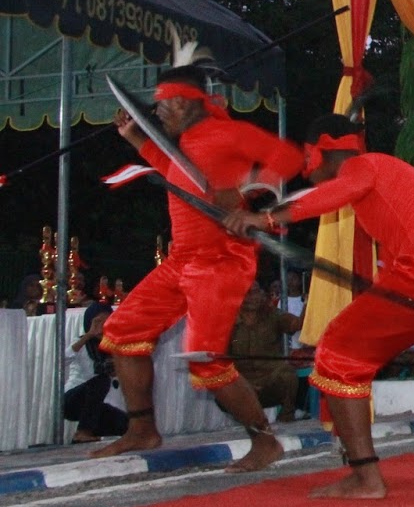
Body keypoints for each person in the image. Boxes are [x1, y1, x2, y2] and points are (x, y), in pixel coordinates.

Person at [225, 115, 414, 499]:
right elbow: (396, 275)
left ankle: (365, 477)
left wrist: (266, 218)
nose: (307, 171)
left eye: (307, 159)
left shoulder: (364, 165)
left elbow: (334, 194)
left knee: (337, 352)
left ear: (319, 150)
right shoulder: (396, 185)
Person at [94, 65, 304, 471]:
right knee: (121, 333)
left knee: (205, 358)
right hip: (180, 260)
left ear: (186, 102)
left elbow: (289, 158)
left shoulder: (226, 132)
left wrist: (246, 188)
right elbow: (175, 172)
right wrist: (136, 138)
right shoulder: (185, 142)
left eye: (164, 105)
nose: (158, 112)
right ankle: (142, 430)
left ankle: (264, 441)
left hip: (221, 261)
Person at [229, 283, 303, 420]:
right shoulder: (228, 320)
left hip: (270, 381)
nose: (253, 297)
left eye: (256, 292)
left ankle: (287, 415)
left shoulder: (273, 314)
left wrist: (309, 304)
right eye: (248, 293)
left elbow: (297, 324)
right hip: (242, 381)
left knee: (287, 373)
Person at [62, 302, 127, 442]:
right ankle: (82, 432)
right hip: (72, 400)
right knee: (101, 381)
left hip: (96, 407)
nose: (102, 326)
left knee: (129, 425)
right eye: (98, 322)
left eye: (107, 321)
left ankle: (87, 437)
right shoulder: (81, 343)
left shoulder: (114, 347)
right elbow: (61, 362)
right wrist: (89, 335)